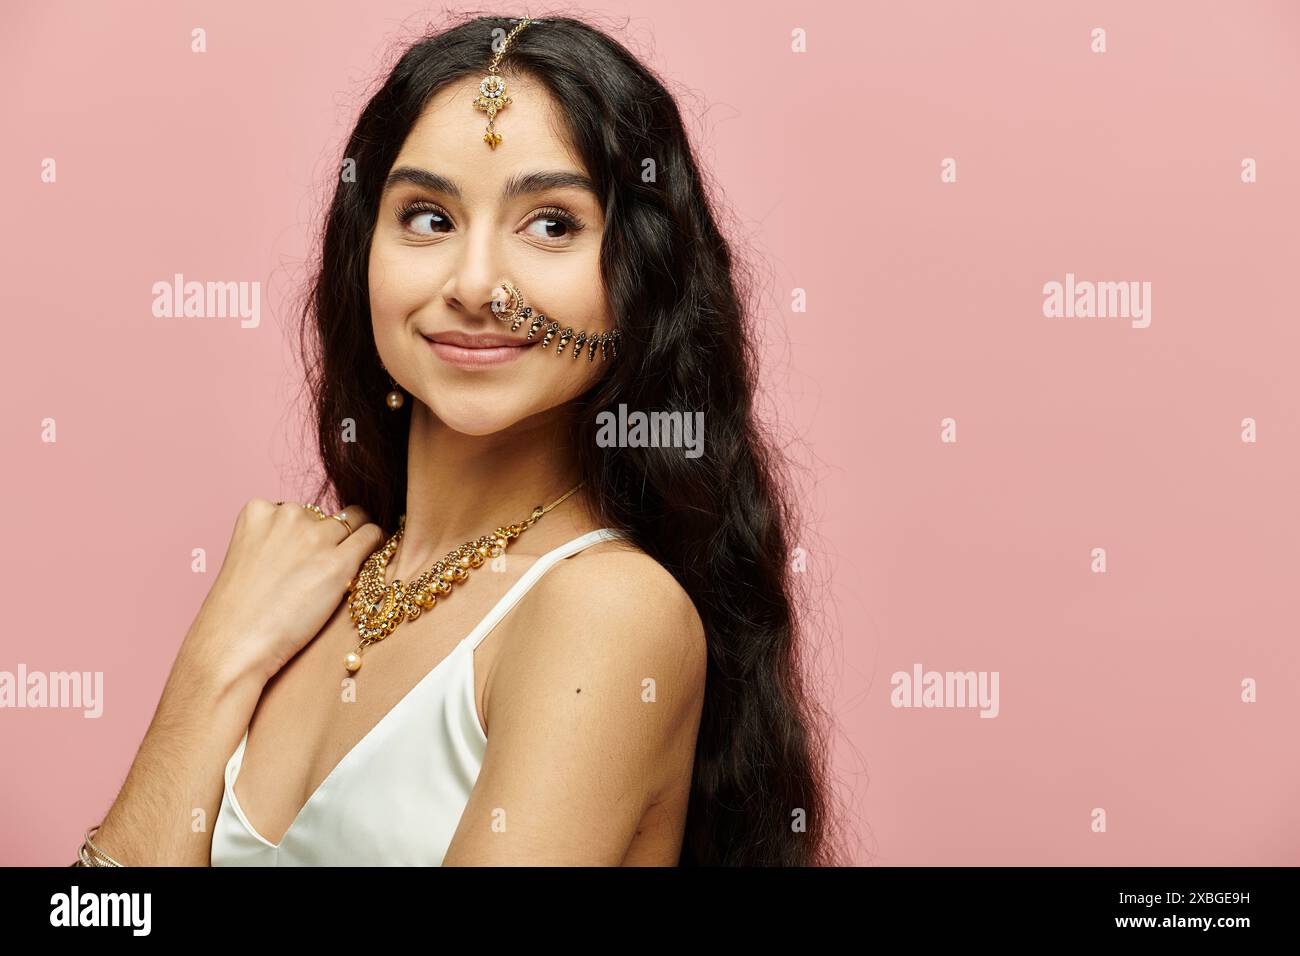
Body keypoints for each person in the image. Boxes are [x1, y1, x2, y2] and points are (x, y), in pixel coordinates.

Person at [73, 13, 843, 867]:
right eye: (429, 218)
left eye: (552, 224)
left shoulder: (607, 611)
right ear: (362, 250)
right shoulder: (292, 591)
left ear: (640, 275)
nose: (477, 285)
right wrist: (210, 665)